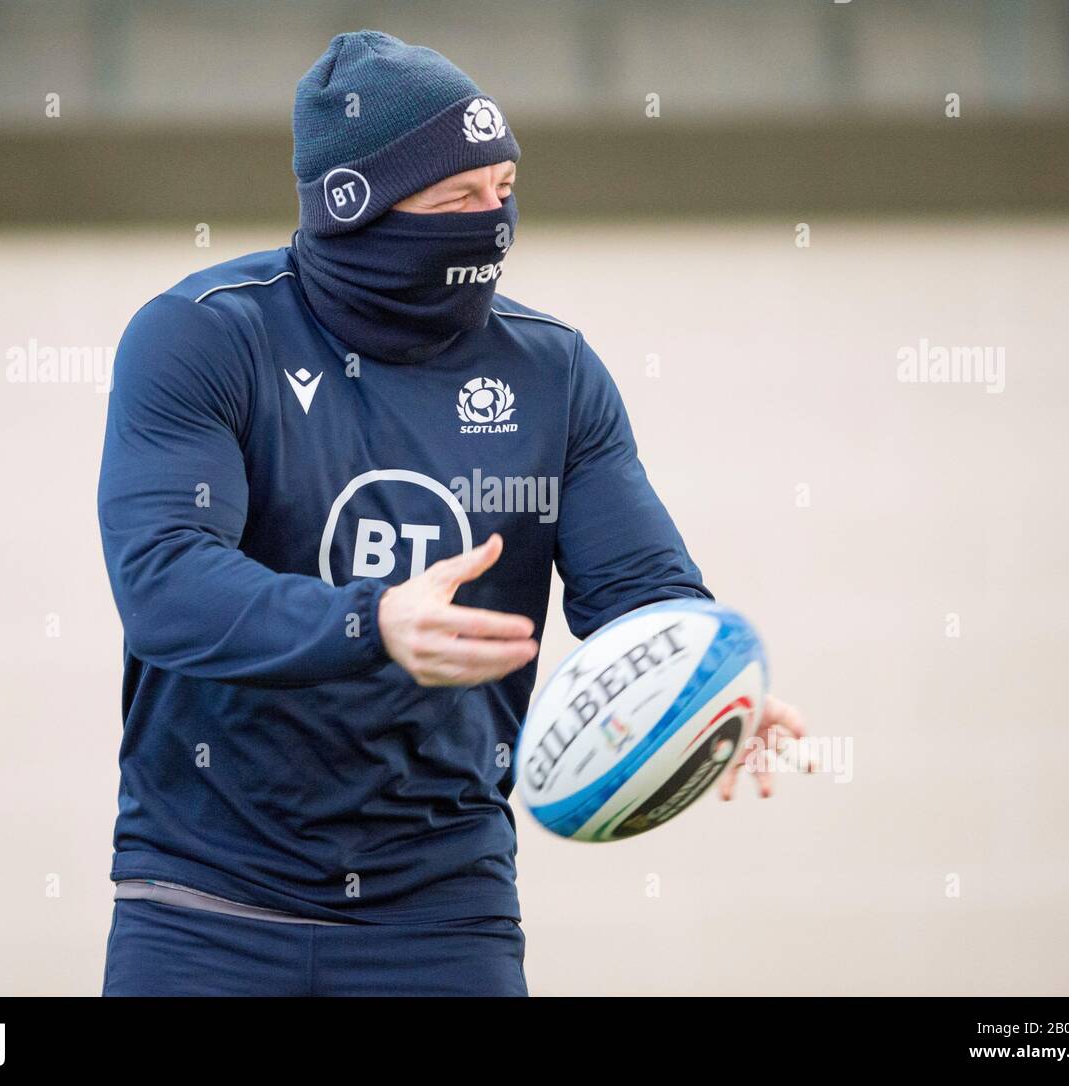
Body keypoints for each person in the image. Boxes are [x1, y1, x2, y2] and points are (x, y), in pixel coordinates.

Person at [97, 29, 805, 997]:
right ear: (356, 205)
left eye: (504, 190)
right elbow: (165, 582)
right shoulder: (203, 337)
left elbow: (640, 592)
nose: (491, 220)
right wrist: (372, 620)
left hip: (443, 913)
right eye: (456, 198)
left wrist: (706, 673)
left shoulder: (553, 371)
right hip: (203, 906)